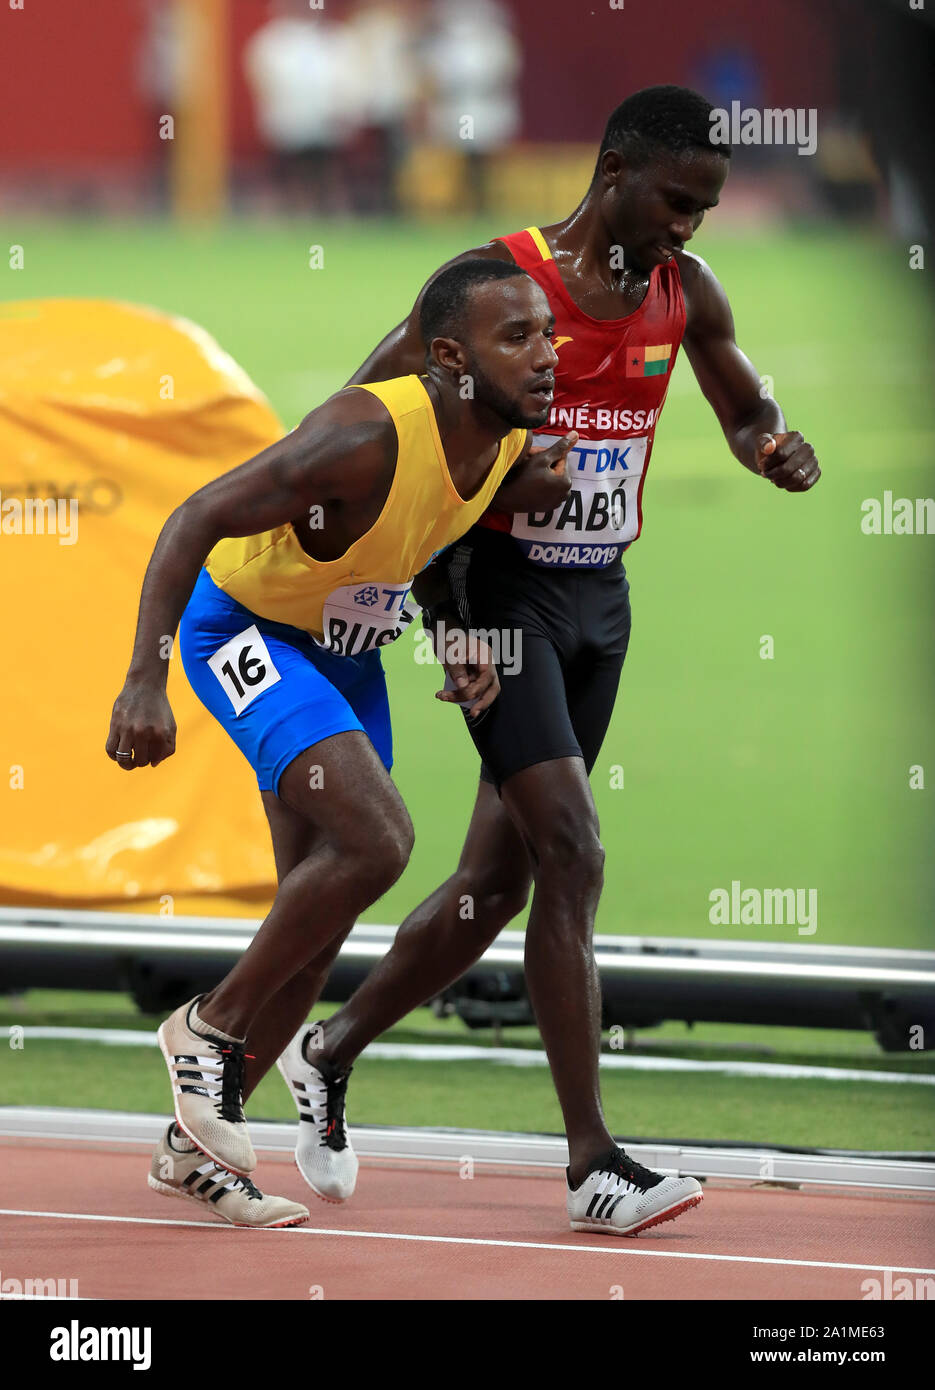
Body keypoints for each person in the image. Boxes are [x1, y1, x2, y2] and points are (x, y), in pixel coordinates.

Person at [270, 85, 821, 1238]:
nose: (688, 226)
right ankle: (591, 1164)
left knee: (499, 884)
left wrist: (766, 438)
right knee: (572, 849)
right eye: (674, 201)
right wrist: (386, 578)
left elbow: (736, 393)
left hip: (596, 602)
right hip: (486, 595)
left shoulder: (682, 290)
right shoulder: (498, 284)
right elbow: (371, 410)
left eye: (704, 209)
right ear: (611, 168)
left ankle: (327, 1048)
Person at [105, 259, 576, 1225]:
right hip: (242, 631)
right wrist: (143, 680)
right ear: (449, 358)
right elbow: (193, 515)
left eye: (548, 334)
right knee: (379, 840)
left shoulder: (500, 441)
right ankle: (208, 1026)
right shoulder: (361, 436)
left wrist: (456, 637)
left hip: (347, 653)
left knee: (315, 925)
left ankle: (195, 1146)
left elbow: (431, 545)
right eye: (518, 338)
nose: (546, 356)